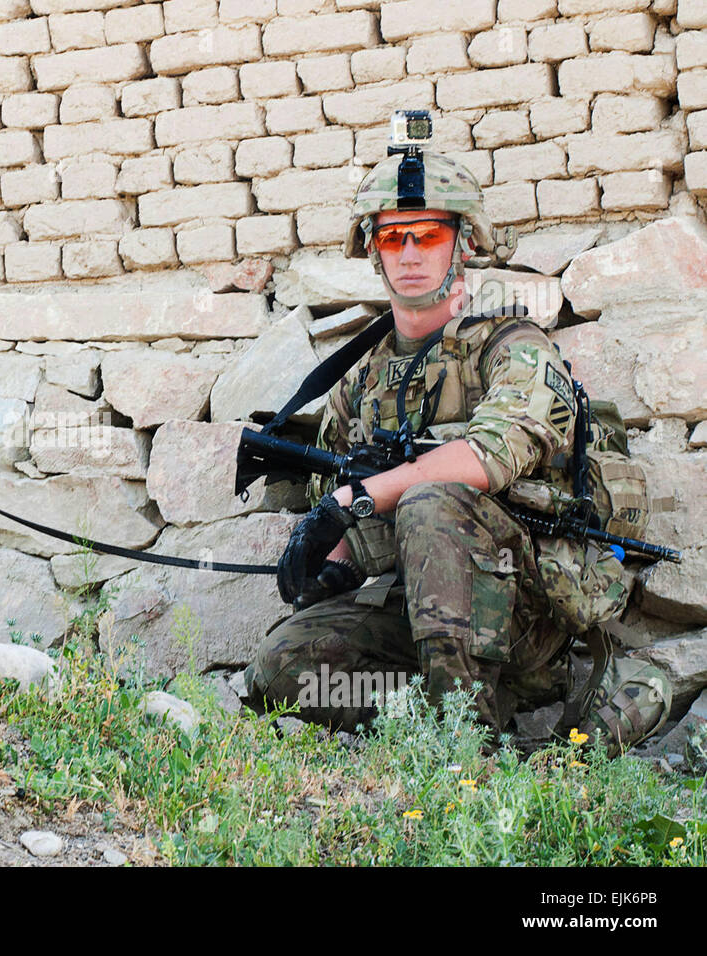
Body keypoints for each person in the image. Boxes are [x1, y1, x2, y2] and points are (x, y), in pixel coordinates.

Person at [243, 141, 669, 754]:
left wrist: (359, 498)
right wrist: (334, 556)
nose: (410, 254)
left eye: (427, 235)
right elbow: (337, 480)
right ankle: (437, 711)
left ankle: (466, 747)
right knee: (285, 667)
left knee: (430, 499)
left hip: (533, 612)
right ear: (373, 251)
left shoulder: (514, 346)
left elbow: (489, 454)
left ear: (463, 243)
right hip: (425, 619)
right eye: (393, 239)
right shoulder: (364, 379)